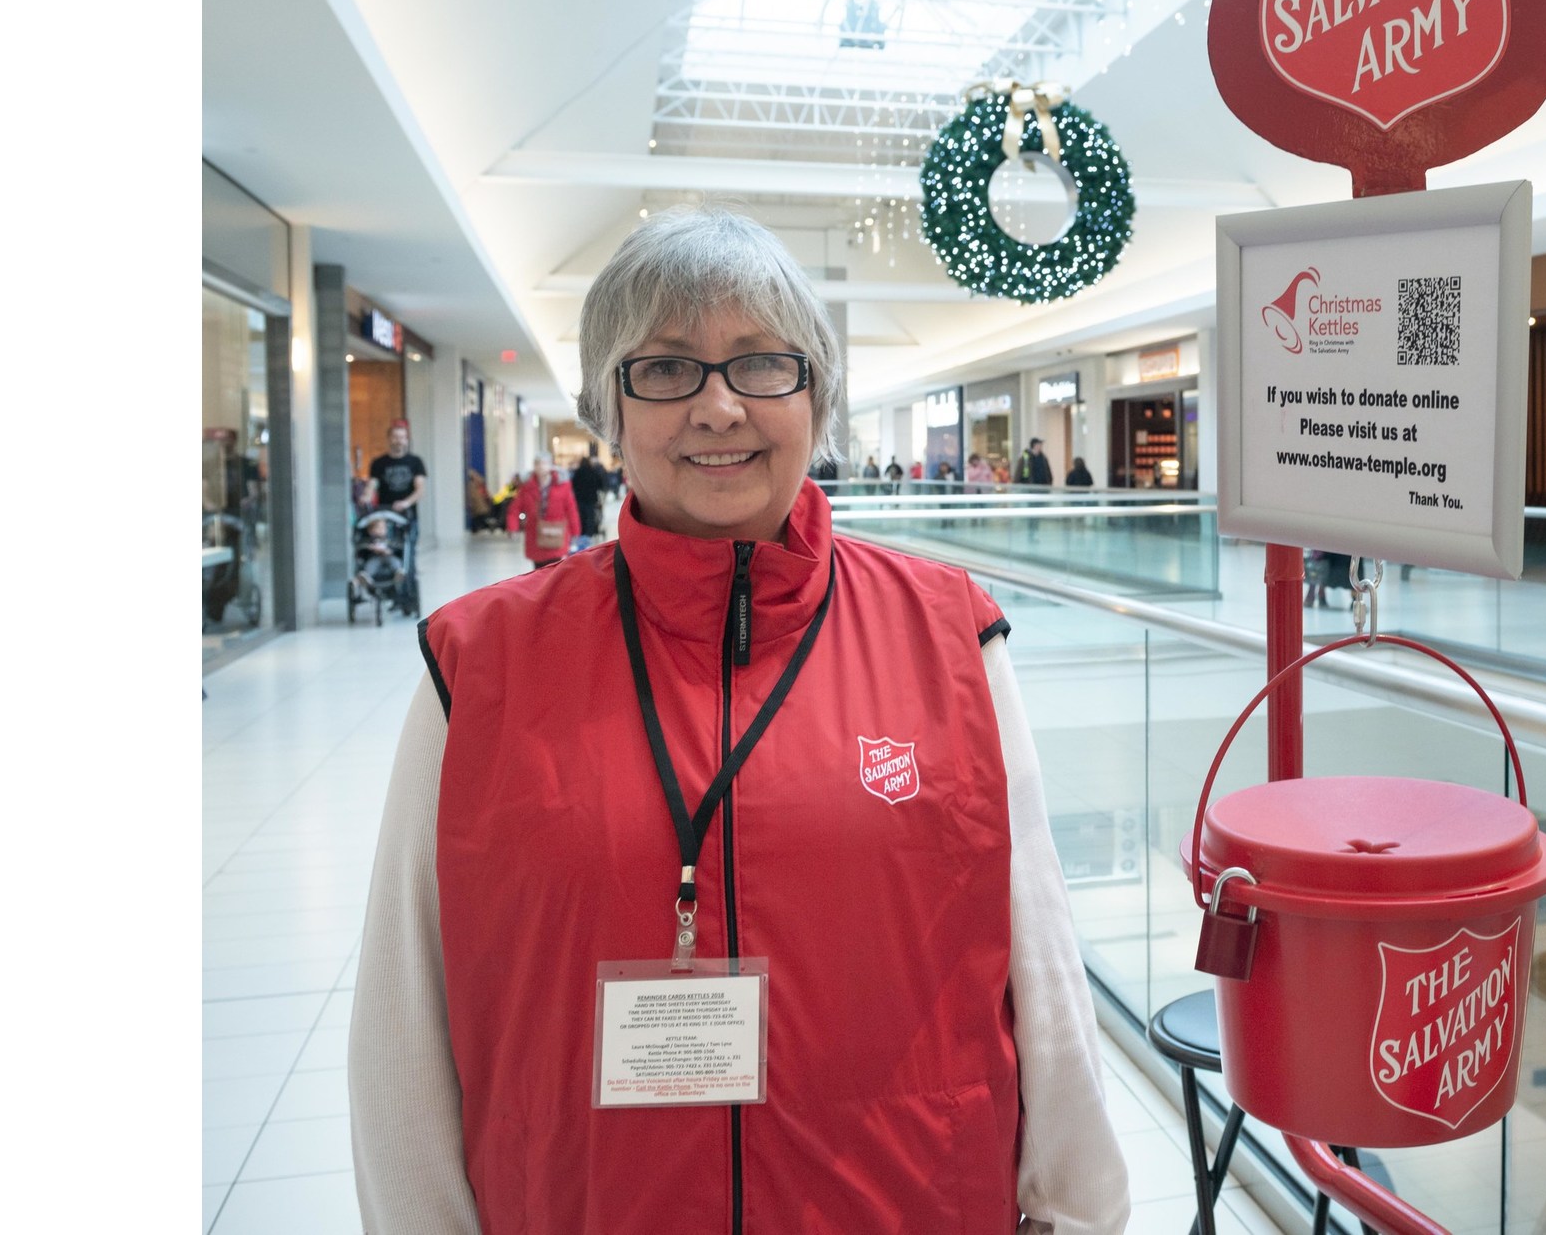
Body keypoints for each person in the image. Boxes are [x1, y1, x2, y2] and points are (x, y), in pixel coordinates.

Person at [352, 206, 1127, 1235]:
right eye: (666, 369)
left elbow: (1041, 961)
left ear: (819, 398)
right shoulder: (479, 664)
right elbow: (404, 1012)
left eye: (764, 364)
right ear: (609, 409)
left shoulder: (950, 636)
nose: (719, 408)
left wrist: (1077, 1211)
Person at [507, 454, 582, 572]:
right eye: (538, 464)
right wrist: (513, 528)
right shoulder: (527, 487)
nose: (541, 467)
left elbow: (571, 510)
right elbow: (514, 509)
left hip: (557, 535)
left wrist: (575, 533)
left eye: (544, 463)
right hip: (536, 536)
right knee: (539, 572)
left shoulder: (562, 485)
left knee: (555, 572)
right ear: (534, 467)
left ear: (551, 466)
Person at [367, 423, 430, 530]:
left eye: (402, 437)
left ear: (407, 440)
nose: (399, 441)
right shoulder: (378, 463)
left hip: (408, 516)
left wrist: (406, 503)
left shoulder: (416, 462)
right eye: (395, 437)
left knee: (408, 546)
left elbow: (420, 489)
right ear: (389, 439)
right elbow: (372, 484)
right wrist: (366, 495)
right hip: (385, 516)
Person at [570, 445, 612, 548]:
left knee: (581, 517)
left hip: (579, 500)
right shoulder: (593, 472)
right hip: (591, 499)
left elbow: (573, 486)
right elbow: (600, 485)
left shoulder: (577, 473)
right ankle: (589, 535)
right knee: (590, 517)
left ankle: (582, 534)